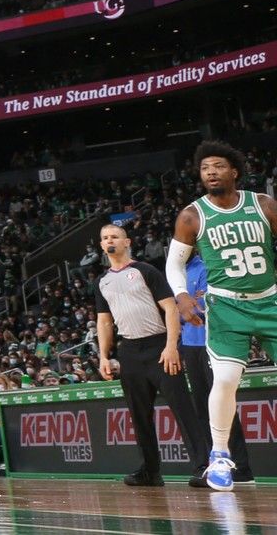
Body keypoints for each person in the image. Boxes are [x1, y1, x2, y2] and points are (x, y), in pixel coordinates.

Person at [167, 139, 277, 490]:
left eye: (218, 166)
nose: (210, 172)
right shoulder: (192, 215)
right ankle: (219, 457)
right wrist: (182, 295)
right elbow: (174, 263)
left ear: (235, 172)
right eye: (204, 168)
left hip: (270, 300)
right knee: (226, 379)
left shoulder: (263, 204)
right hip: (226, 305)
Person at [95, 221, 206, 486]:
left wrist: (171, 346)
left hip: (159, 346)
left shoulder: (146, 271)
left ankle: (203, 467)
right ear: (101, 245)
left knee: (182, 408)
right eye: (105, 238)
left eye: (114, 236)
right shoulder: (101, 282)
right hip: (129, 350)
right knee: (139, 415)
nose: (110, 241)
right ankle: (150, 471)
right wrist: (103, 356)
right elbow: (104, 322)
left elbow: (171, 308)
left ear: (127, 242)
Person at [181, 245, 254, 481]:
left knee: (222, 403)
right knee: (202, 408)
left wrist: (186, 307)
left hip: (212, 341)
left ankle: (241, 468)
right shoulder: (176, 273)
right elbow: (177, 309)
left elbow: (202, 306)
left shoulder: (205, 268)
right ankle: (214, 464)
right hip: (189, 344)